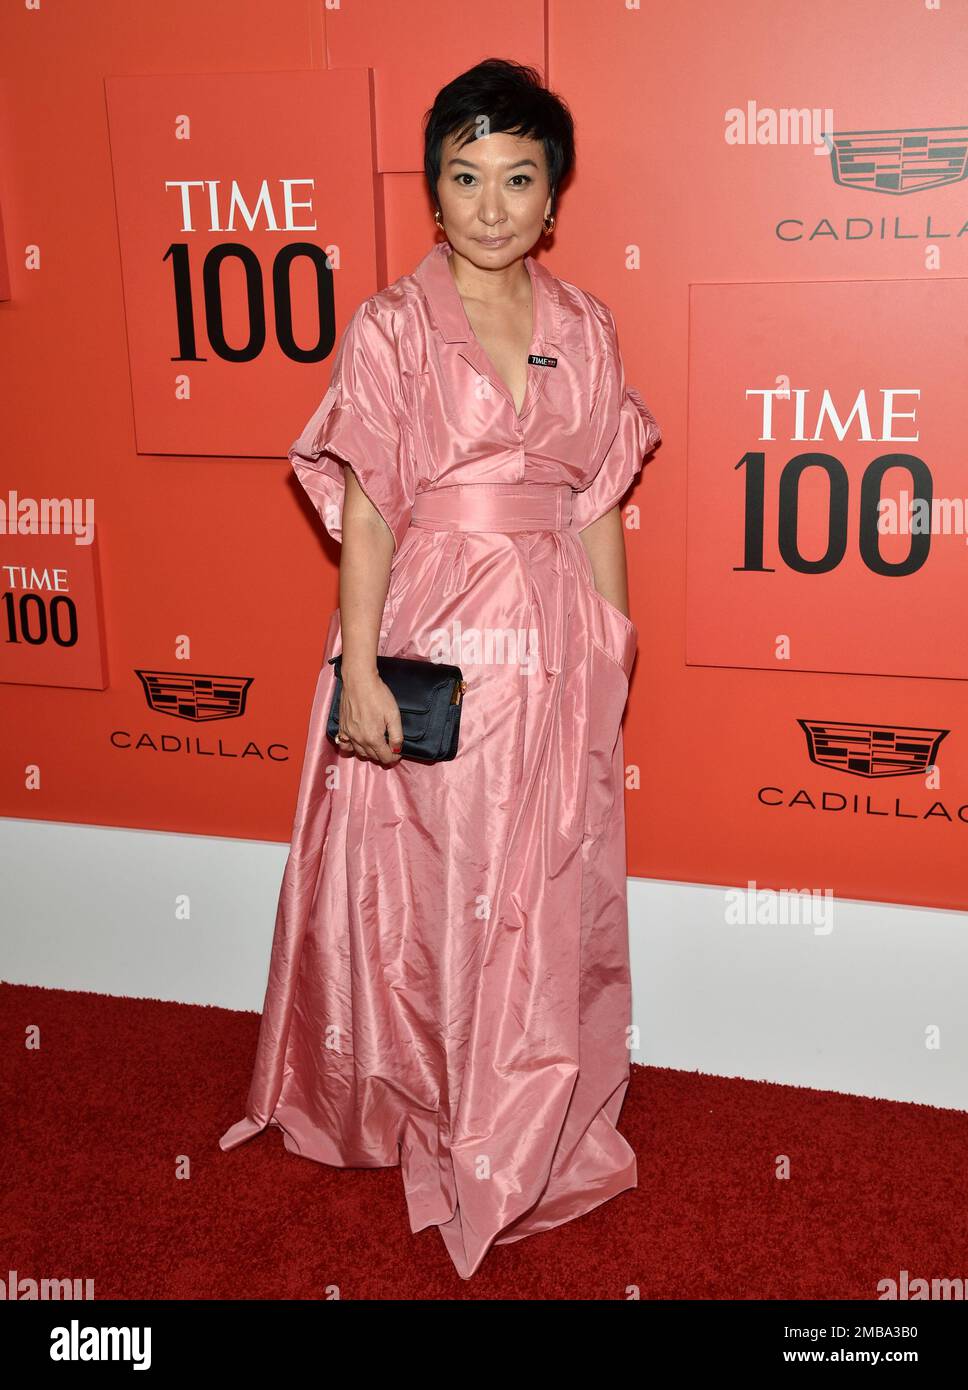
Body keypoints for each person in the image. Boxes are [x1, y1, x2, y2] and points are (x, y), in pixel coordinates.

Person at [219, 57, 661, 1281]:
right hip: (433, 627)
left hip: (555, 641)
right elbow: (367, 509)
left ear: (552, 197)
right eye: (463, 177)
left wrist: (610, 652)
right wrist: (356, 668)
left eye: (516, 178)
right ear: (432, 192)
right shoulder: (390, 326)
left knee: (543, 874)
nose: (489, 203)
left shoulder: (586, 326)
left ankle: (525, 1103)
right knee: (432, 874)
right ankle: (424, 1096)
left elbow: (600, 503)